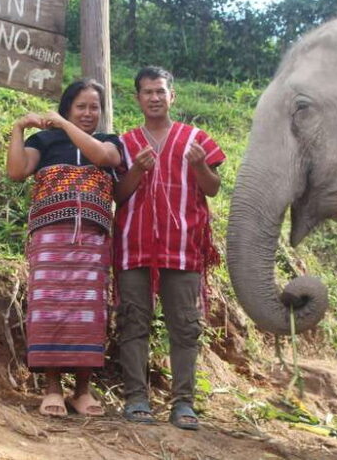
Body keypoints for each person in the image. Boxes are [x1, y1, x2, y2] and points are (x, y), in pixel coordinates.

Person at [114, 66, 225, 430]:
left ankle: (183, 403)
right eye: (147, 92)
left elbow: (213, 188)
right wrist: (136, 171)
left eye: (160, 91)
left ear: (172, 96)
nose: (155, 97)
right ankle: (136, 399)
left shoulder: (195, 139)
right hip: (134, 245)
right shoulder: (125, 144)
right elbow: (118, 195)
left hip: (183, 246)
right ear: (138, 98)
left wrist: (199, 166)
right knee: (133, 322)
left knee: (185, 326)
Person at [6, 79, 122, 418]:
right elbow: (16, 171)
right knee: (51, 310)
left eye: (94, 107)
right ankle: (53, 388)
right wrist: (19, 128)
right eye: (80, 106)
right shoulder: (44, 141)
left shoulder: (109, 141)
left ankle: (82, 391)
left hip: (93, 241)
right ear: (68, 107)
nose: (88, 113)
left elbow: (103, 158)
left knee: (88, 312)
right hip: (50, 240)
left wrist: (63, 124)